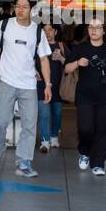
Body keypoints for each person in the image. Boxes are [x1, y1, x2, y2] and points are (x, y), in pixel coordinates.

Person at [0, 0, 52, 178]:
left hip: (29, 85)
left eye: (24, 7)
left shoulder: (37, 31)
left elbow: (44, 59)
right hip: (7, 81)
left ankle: (24, 162)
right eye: (17, 6)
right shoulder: (4, 25)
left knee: (30, 125)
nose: (20, 10)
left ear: (31, 10)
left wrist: (48, 84)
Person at [65, 18, 106, 175]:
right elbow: (67, 68)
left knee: (103, 130)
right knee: (85, 128)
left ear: (103, 31)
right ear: (88, 30)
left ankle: (98, 163)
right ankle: (85, 151)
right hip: (84, 95)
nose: (94, 30)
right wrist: (77, 63)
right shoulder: (80, 48)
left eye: (97, 27)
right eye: (91, 27)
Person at [38, 23, 68, 153]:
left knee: (57, 114)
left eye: (50, 30)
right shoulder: (37, 46)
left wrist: (61, 58)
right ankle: (45, 140)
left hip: (58, 87)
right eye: (44, 30)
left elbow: (71, 66)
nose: (47, 32)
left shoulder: (61, 46)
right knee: (44, 114)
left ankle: (54, 136)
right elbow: (27, 61)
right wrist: (34, 71)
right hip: (41, 86)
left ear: (56, 31)